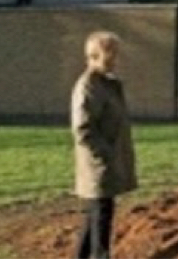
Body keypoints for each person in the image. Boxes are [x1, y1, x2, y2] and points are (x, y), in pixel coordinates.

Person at [70, 30, 137, 259]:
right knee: (100, 218)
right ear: (96, 55)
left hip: (107, 162)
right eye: (112, 54)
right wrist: (106, 155)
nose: (117, 60)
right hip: (99, 165)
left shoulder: (108, 84)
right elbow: (83, 129)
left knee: (94, 216)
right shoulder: (88, 87)